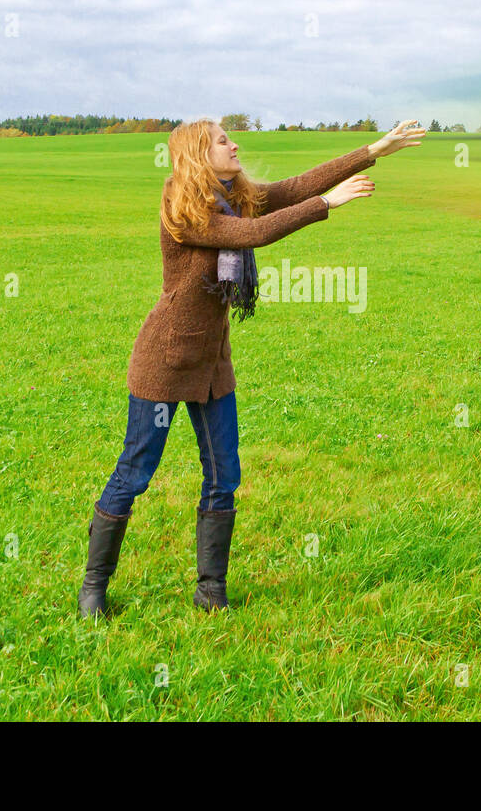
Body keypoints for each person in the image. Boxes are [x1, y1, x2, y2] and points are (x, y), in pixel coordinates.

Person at [78, 117, 426, 617]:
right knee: (136, 472)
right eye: (223, 140)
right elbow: (255, 234)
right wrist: (329, 203)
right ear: (199, 153)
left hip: (212, 363)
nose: (234, 143)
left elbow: (292, 188)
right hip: (165, 361)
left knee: (224, 473)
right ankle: (93, 589)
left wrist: (375, 148)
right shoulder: (186, 207)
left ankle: (211, 591)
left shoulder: (231, 196)